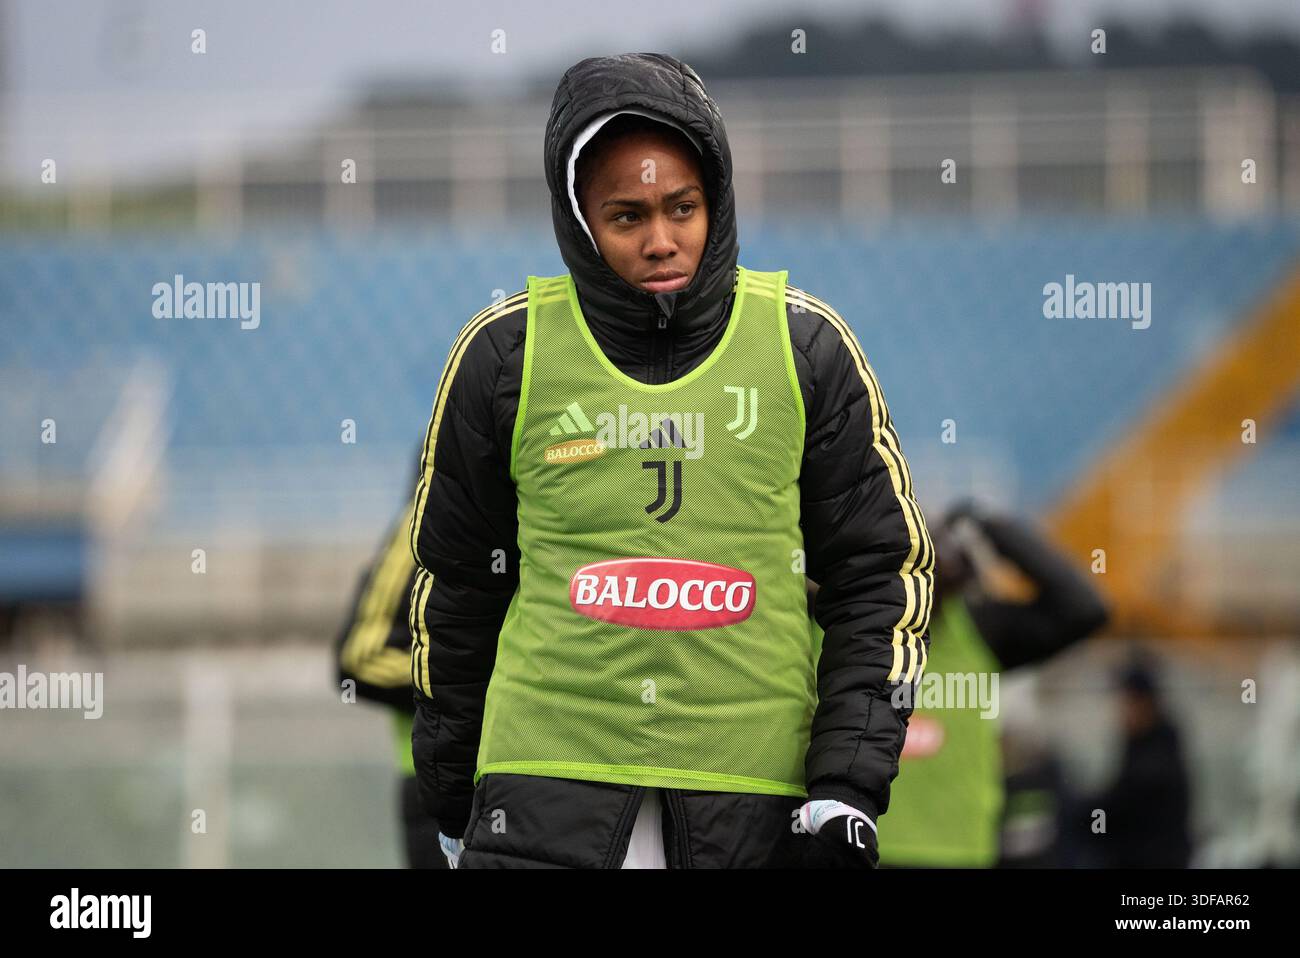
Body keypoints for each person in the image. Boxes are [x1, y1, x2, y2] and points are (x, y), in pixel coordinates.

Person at [408, 52, 934, 869]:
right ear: (580, 222)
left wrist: (844, 788)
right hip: (539, 799)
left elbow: (881, 577)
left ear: (715, 201)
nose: (662, 241)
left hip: (755, 812)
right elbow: (458, 598)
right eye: (627, 217)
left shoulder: (807, 350)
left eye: (681, 208)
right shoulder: (502, 358)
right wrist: (448, 797)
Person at [823, 499, 1110, 867]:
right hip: (855, 852)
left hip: (959, 854)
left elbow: (1085, 609)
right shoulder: (838, 622)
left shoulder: (981, 629)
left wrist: (992, 527)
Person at [335, 494, 446, 869]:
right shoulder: (430, 513)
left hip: (547, 782)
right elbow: (360, 658)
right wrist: (482, 681)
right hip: (440, 783)